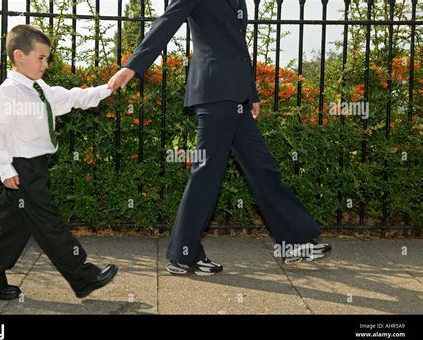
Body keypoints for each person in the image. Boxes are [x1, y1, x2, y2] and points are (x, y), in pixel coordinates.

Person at [108, 0, 332, 275]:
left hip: (236, 96)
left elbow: (238, 46)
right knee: (208, 172)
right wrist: (132, 66)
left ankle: (294, 242)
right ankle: (184, 255)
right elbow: (167, 22)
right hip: (215, 93)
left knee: (262, 169)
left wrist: (252, 94)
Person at [0, 24, 117, 300]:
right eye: (41, 57)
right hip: (22, 169)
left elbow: (74, 97)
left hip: (35, 167)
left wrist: (107, 88)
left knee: (12, 229)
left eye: (47, 57)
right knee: (50, 224)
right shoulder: (8, 92)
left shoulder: (40, 89)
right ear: (19, 56)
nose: (46, 63)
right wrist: (4, 169)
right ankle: (84, 276)